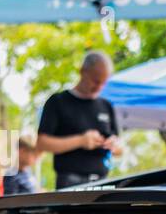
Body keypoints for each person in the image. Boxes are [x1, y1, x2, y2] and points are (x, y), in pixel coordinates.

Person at [36, 51, 123, 190]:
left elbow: (119, 148)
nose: (99, 87)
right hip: (70, 181)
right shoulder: (58, 102)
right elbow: (42, 143)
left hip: (103, 181)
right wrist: (81, 141)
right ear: (83, 72)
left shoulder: (106, 106)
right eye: (95, 80)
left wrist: (114, 145)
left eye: (103, 83)